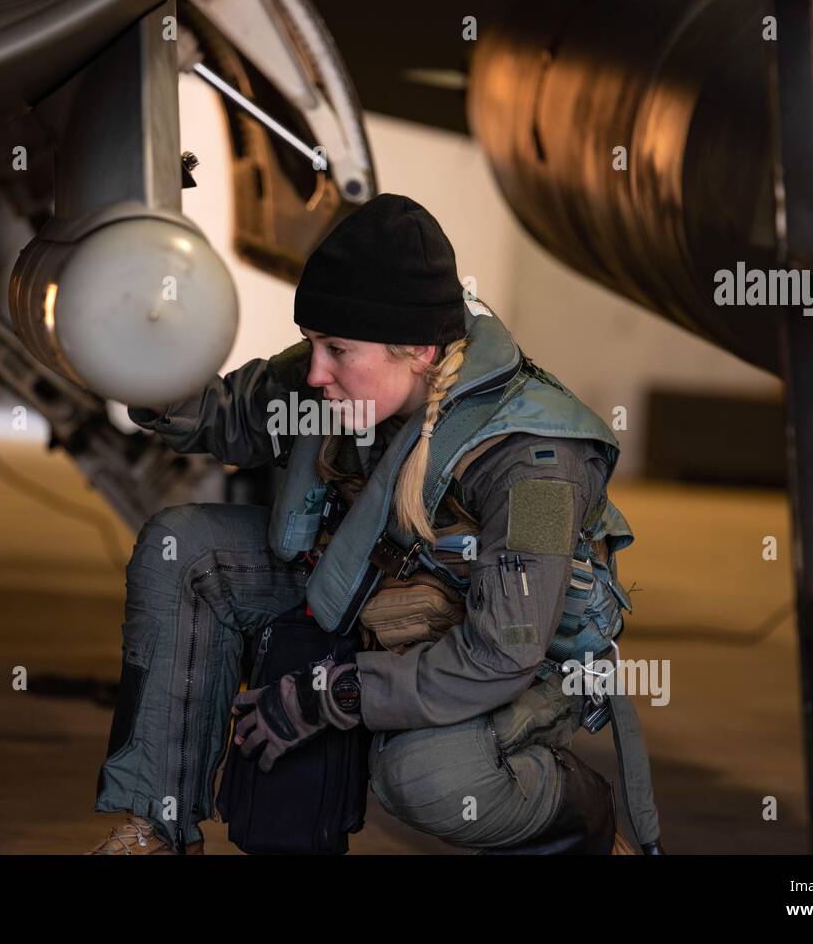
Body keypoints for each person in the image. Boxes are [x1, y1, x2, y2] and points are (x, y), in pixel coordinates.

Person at [87, 193, 651, 855]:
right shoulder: (342, 380)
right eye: (311, 345)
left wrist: (333, 693)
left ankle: (578, 817)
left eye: (336, 350)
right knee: (184, 549)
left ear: (417, 349)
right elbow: (225, 413)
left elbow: (502, 651)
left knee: (427, 775)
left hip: (502, 661)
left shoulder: (536, 463)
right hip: (372, 597)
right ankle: (157, 825)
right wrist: (133, 354)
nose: (316, 372)